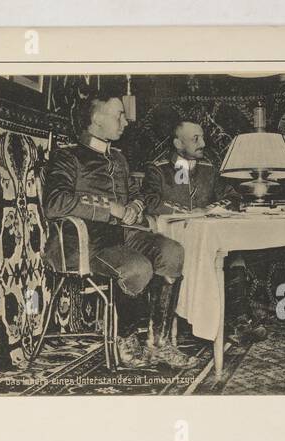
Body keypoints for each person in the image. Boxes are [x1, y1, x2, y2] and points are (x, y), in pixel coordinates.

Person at [42, 95, 188, 367]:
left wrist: (134, 204)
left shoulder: (118, 158)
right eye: (118, 115)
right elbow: (55, 203)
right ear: (97, 120)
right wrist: (111, 208)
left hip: (123, 236)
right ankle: (126, 336)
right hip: (87, 243)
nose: (125, 121)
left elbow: (137, 194)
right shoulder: (68, 157)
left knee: (172, 251)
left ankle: (160, 343)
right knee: (138, 267)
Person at [142, 119, 269, 345]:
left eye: (202, 137)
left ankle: (237, 321)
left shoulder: (209, 170)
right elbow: (151, 201)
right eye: (195, 139)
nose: (202, 143)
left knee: (233, 254)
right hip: (172, 239)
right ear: (177, 143)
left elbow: (232, 197)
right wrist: (188, 212)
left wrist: (209, 209)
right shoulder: (158, 170)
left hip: (204, 238)